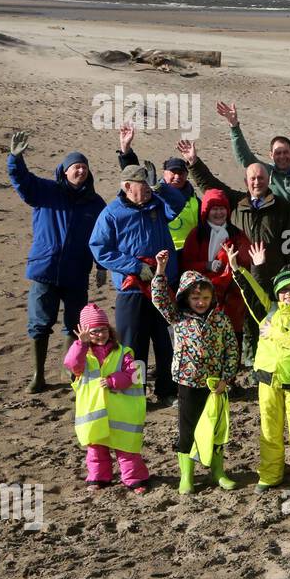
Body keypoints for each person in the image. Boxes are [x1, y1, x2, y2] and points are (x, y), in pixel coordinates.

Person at [178, 138, 290, 370]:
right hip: (242, 278)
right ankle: (249, 365)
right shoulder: (237, 202)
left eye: (261, 178)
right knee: (245, 323)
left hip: (272, 277)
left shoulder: (282, 207)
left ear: (268, 180)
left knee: (269, 323)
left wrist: (288, 273)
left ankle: (267, 366)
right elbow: (210, 185)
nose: (257, 182)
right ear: (246, 181)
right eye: (252, 178)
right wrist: (193, 162)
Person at [7, 132, 106, 393]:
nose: (80, 171)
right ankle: (38, 375)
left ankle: (70, 372)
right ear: (65, 171)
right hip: (45, 270)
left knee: (75, 325)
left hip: (77, 273)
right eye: (76, 167)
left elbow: (103, 237)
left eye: (84, 167)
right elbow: (21, 180)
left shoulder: (96, 203)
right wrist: (15, 158)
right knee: (39, 324)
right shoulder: (46, 191)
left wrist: (101, 267)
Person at [228, 245, 290, 500]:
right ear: (277, 293)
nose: (288, 294)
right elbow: (251, 292)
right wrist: (237, 269)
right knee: (270, 431)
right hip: (267, 380)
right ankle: (270, 475)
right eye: (283, 290)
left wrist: (273, 332)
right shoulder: (269, 310)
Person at [89, 159, 187, 407]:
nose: (146, 189)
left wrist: (159, 187)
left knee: (164, 342)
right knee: (133, 345)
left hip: (162, 285)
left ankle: (167, 390)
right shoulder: (112, 213)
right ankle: (135, 392)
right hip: (131, 289)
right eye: (142, 185)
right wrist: (134, 266)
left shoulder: (157, 204)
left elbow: (178, 204)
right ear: (127, 187)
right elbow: (100, 248)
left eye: (148, 185)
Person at [150, 250, 239, 494]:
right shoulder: (177, 317)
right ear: (186, 298)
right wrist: (160, 269)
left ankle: (217, 471)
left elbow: (232, 349)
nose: (201, 302)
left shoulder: (221, 320)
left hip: (215, 385)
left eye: (206, 297)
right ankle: (186, 475)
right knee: (187, 429)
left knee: (217, 428)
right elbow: (159, 298)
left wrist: (226, 378)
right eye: (196, 297)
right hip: (187, 382)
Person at [65, 303, 149, 493]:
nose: (100, 335)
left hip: (121, 413)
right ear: (86, 334)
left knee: (127, 448)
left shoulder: (123, 352)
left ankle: (135, 479)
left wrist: (113, 381)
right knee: (96, 449)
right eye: (94, 332)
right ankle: (98, 478)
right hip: (94, 413)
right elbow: (71, 364)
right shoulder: (83, 354)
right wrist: (81, 344)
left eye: (103, 330)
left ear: (109, 330)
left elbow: (133, 375)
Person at [178, 189, 250, 349]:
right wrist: (206, 265)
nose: (219, 213)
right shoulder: (196, 235)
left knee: (232, 343)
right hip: (203, 298)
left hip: (231, 299)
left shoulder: (237, 235)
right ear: (206, 212)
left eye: (222, 208)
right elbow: (186, 264)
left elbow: (247, 261)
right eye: (214, 209)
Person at [116, 124, 199, 251]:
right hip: (161, 252)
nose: (177, 176)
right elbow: (134, 176)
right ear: (164, 173)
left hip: (189, 253)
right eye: (173, 172)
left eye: (181, 173)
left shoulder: (195, 200)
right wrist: (125, 150)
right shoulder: (152, 194)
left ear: (187, 175)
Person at [215, 101, 290, 208]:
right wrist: (234, 126)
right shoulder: (267, 172)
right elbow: (245, 158)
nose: (282, 156)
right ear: (271, 155)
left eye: (285, 152)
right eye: (278, 153)